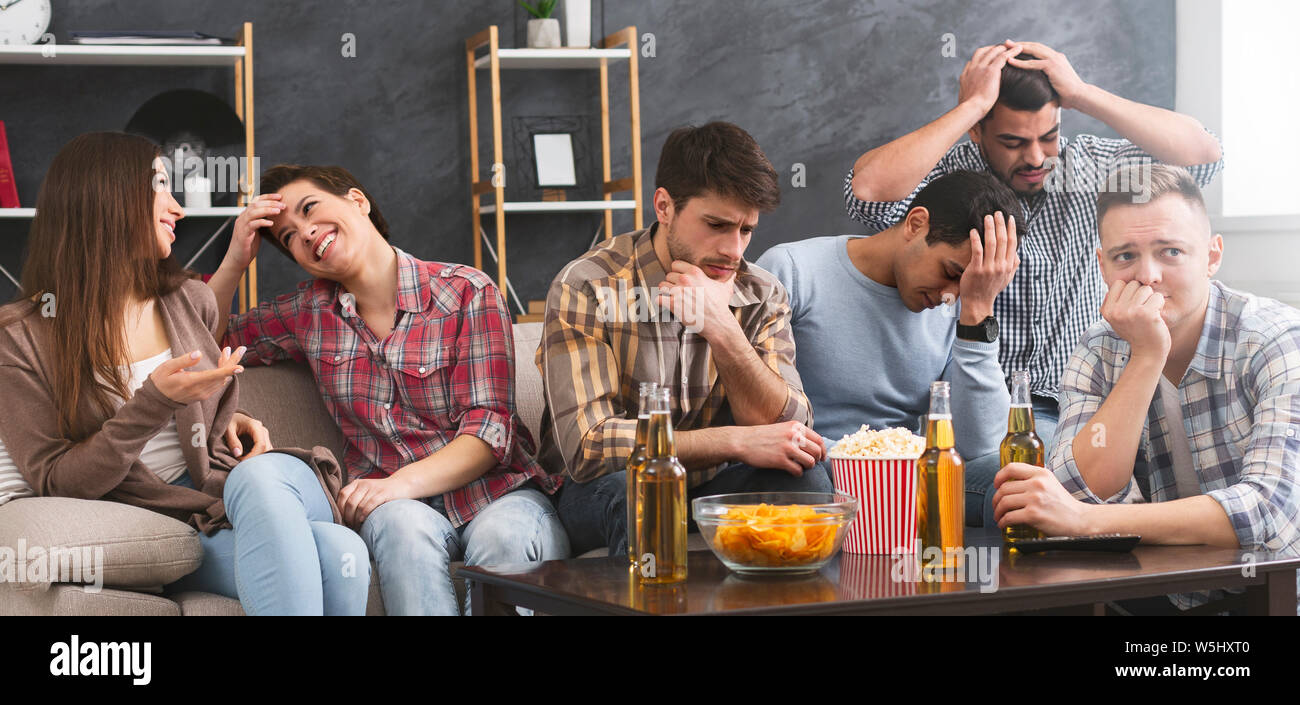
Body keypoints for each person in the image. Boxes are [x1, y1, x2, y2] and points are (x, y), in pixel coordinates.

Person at [0, 132, 370, 616]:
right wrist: (152, 402)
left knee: (258, 478)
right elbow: (55, 480)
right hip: (179, 516)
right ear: (108, 197)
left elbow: (210, 355)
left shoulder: (185, 299)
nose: (177, 208)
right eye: (160, 186)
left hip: (244, 487)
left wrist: (236, 416)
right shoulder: (22, 334)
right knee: (341, 554)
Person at [211, 164, 568, 615]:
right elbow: (209, 336)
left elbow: (488, 433)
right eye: (287, 237)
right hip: (395, 509)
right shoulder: (309, 313)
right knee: (401, 530)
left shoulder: (466, 292)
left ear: (356, 201)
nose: (304, 233)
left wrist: (398, 484)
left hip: (499, 492)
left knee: (505, 537)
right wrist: (235, 261)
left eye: (309, 209)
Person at [845, 40, 1224, 451]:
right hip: (987, 414)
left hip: (1087, 401)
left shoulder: (1091, 168)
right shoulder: (947, 182)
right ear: (978, 131)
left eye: (1049, 136)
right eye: (1013, 142)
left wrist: (1080, 93)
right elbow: (866, 194)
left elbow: (1203, 158)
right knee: (1041, 484)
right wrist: (972, 106)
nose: (1036, 157)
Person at [993, 164, 1300, 613]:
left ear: (1212, 257)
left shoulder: (1276, 339)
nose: (1148, 275)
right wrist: (1146, 358)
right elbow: (1077, 489)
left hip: (1277, 597)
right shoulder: (1100, 347)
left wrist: (1086, 521)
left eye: (1171, 251)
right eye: (1125, 257)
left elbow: (1269, 511)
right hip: (1169, 597)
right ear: (1103, 266)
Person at [539, 121, 831, 558]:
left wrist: (722, 327)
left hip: (710, 487)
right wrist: (732, 442)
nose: (734, 250)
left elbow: (789, 424)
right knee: (640, 492)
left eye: (746, 230)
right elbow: (588, 447)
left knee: (807, 480)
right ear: (664, 207)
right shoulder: (589, 286)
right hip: (604, 491)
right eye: (716, 224)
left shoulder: (761, 292)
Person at [758, 170, 1021, 527]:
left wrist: (977, 313)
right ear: (916, 224)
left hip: (907, 478)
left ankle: (986, 583)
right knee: (808, 481)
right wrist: (867, 464)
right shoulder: (793, 270)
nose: (950, 295)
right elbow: (753, 411)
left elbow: (982, 445)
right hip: (816, 469)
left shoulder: (960, 305)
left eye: (968, 285)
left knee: (1016, 482)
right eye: (951, 272)